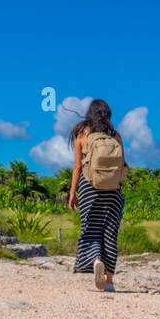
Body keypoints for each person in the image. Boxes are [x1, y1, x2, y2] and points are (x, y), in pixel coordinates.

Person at [67, 99, 127, 292]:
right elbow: (122, 166)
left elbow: (77, 167)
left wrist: (72, 193)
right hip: (113, 192)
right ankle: (109, 282)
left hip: (88, 187)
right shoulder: (115, 135)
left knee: (90, 230)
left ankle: (95, 260)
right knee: (110, 233)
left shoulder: (81, 132)